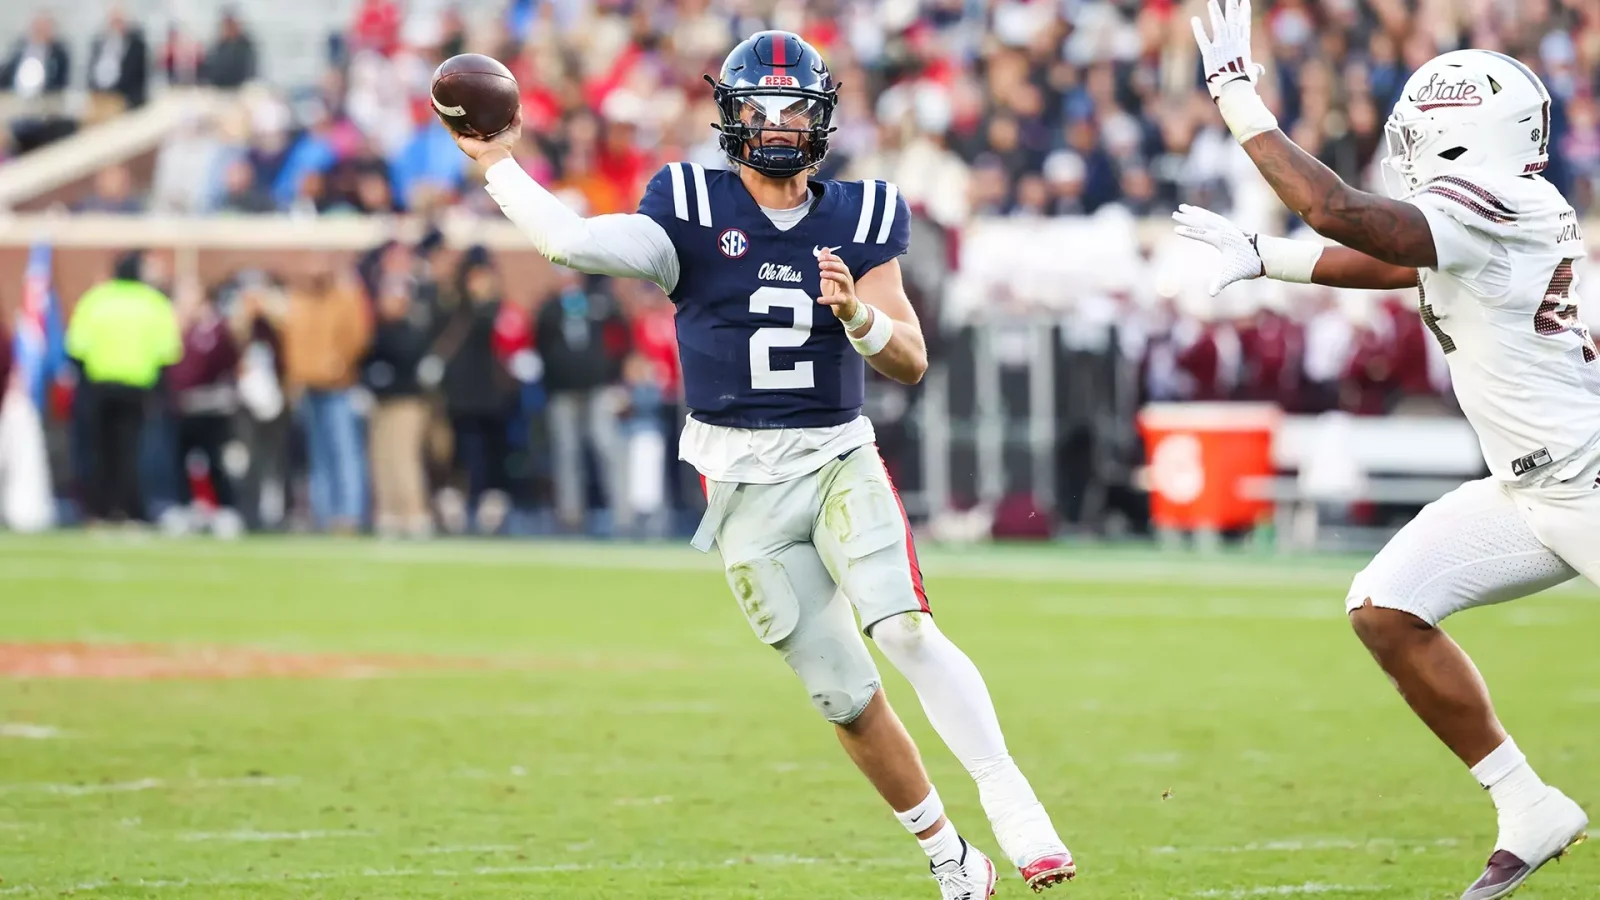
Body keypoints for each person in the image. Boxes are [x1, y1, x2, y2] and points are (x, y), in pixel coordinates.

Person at [451, 30, 1074, 898]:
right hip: (740, 485)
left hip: (834, 457)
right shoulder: (688, 206)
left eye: (793, 109)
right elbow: (573, 244)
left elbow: (912, 360)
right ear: (729, 117)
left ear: (821, 120)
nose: (777, 125)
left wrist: (858, 316)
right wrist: (500, 166)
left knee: (901, 626)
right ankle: (950, 860)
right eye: (758, 109)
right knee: (845, 699)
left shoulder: (859, 213)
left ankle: (1013, 805)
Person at [1179, 5, 1593, 898]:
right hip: (1533, 491)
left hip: (1590, 482)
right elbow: (1403, 261)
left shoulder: (1506, 204)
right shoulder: (1505, 210)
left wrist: (1239, 98)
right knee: (1386, 604)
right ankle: (1528, 806)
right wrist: (1266, 257)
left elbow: (1344, 213)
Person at [66, 251, 181, 526]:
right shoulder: (154, 303)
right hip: (137, 387)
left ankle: (98, 511)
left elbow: (76, 347)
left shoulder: (96, 300)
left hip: (99, 385)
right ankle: (129, 510)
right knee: (131, 452)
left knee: (98, 451)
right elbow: (169, 352)